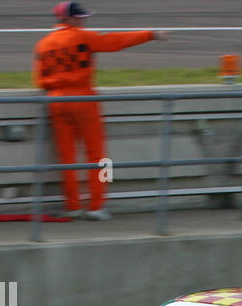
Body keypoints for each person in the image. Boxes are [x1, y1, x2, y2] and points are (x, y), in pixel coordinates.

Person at [32, 3, 165, 219]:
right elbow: (116, 42)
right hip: (83, 98)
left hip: (55, 100)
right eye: (81, 18)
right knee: (99, 156)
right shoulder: (84, 37)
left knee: (66, 157)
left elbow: (39, 81)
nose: (84, 21)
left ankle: (73, 206)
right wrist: (150, 34)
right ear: (71, 19)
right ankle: (96, 206)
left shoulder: (42, 45)